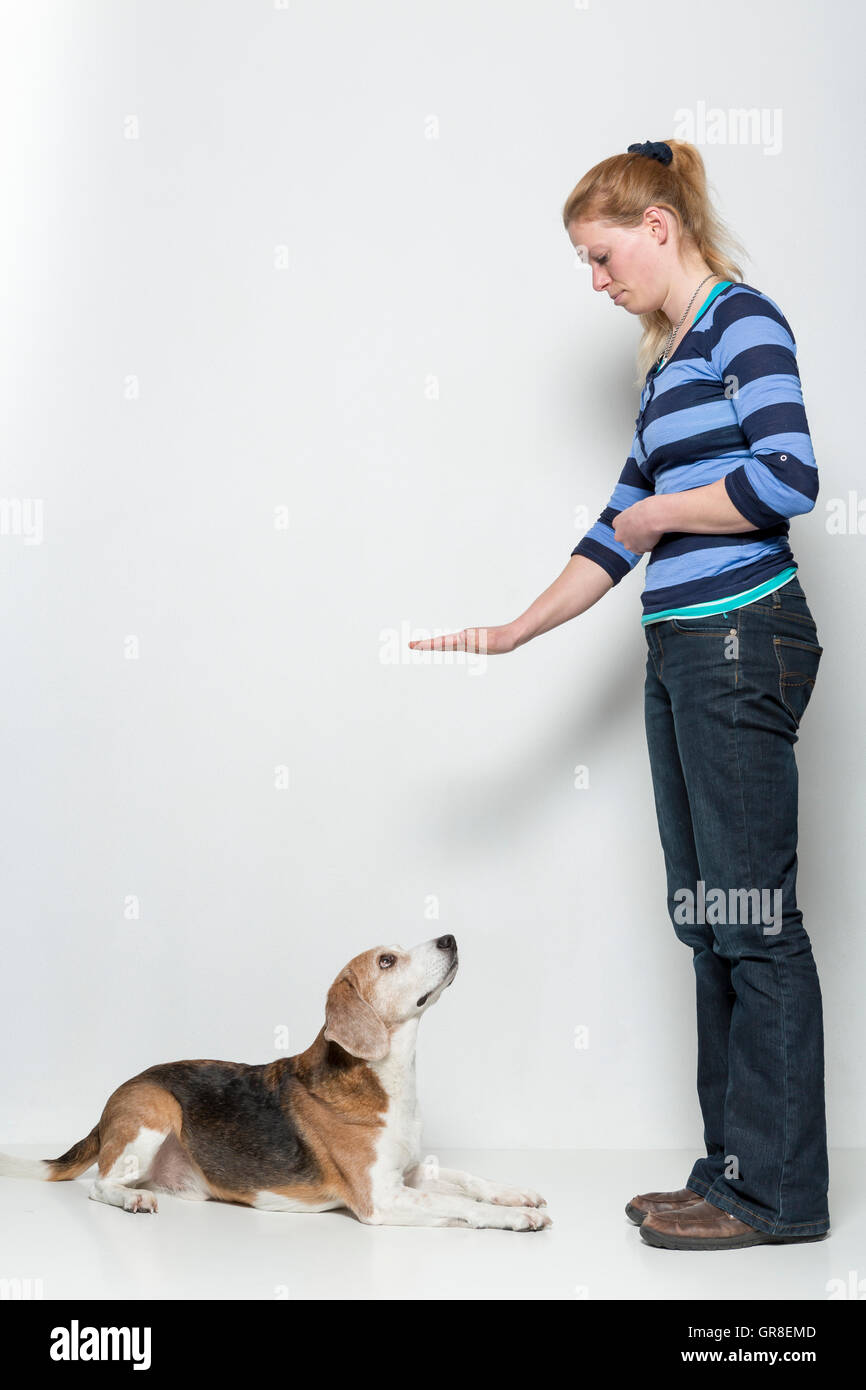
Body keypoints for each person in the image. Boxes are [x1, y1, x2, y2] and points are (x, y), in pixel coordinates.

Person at [409, 138, 829, 1251]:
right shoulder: (664, 367)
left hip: (742, 637)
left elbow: (788, 477)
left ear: (658, 226)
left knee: (752, 919)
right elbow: (611, 526)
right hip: (682, 648)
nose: (596, 282)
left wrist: (661, 517)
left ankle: (778, 1195)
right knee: (706, 919)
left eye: (601, 257)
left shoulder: (742, 320)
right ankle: (731, 1171)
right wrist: (511, 630)